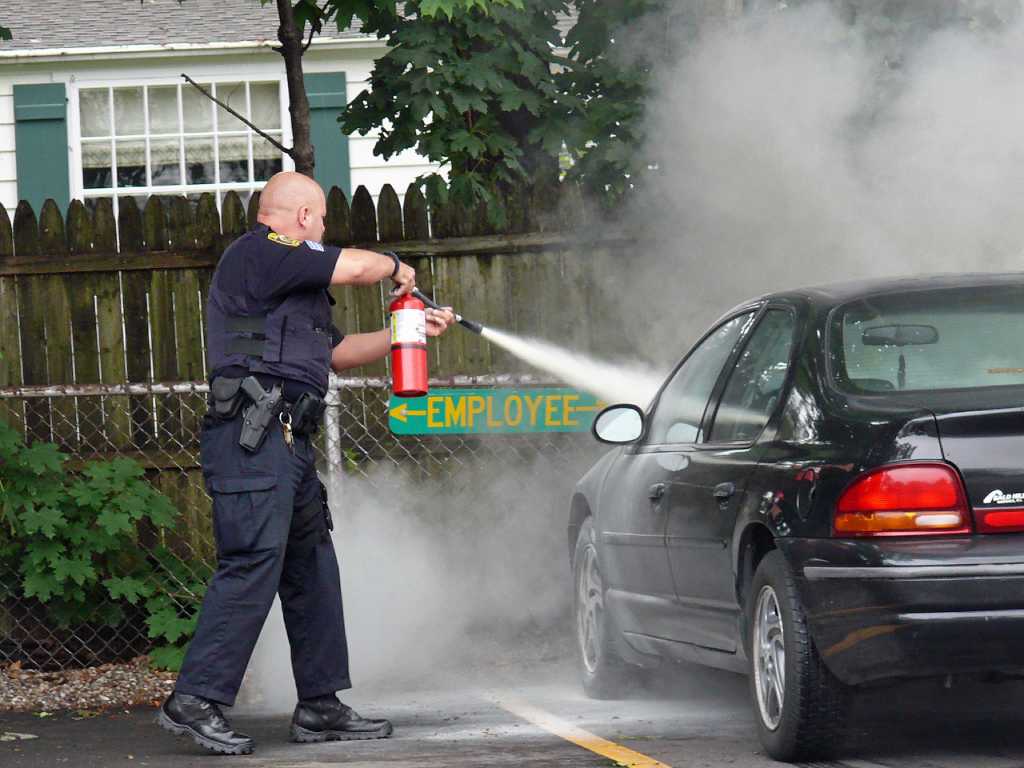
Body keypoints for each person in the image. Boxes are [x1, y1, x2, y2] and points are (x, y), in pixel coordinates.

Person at [156, 172, 455, 755]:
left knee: (311, 567)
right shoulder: (261, 253)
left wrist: (407, 330)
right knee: (252, 562)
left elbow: (337, 355)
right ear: (301, 218)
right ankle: (195, 698)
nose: (323, 233)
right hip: (251, 436)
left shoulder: (296, 288)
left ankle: (320, 705)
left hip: (290, 440)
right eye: (320, 222)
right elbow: (359, 267)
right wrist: (397, 266)